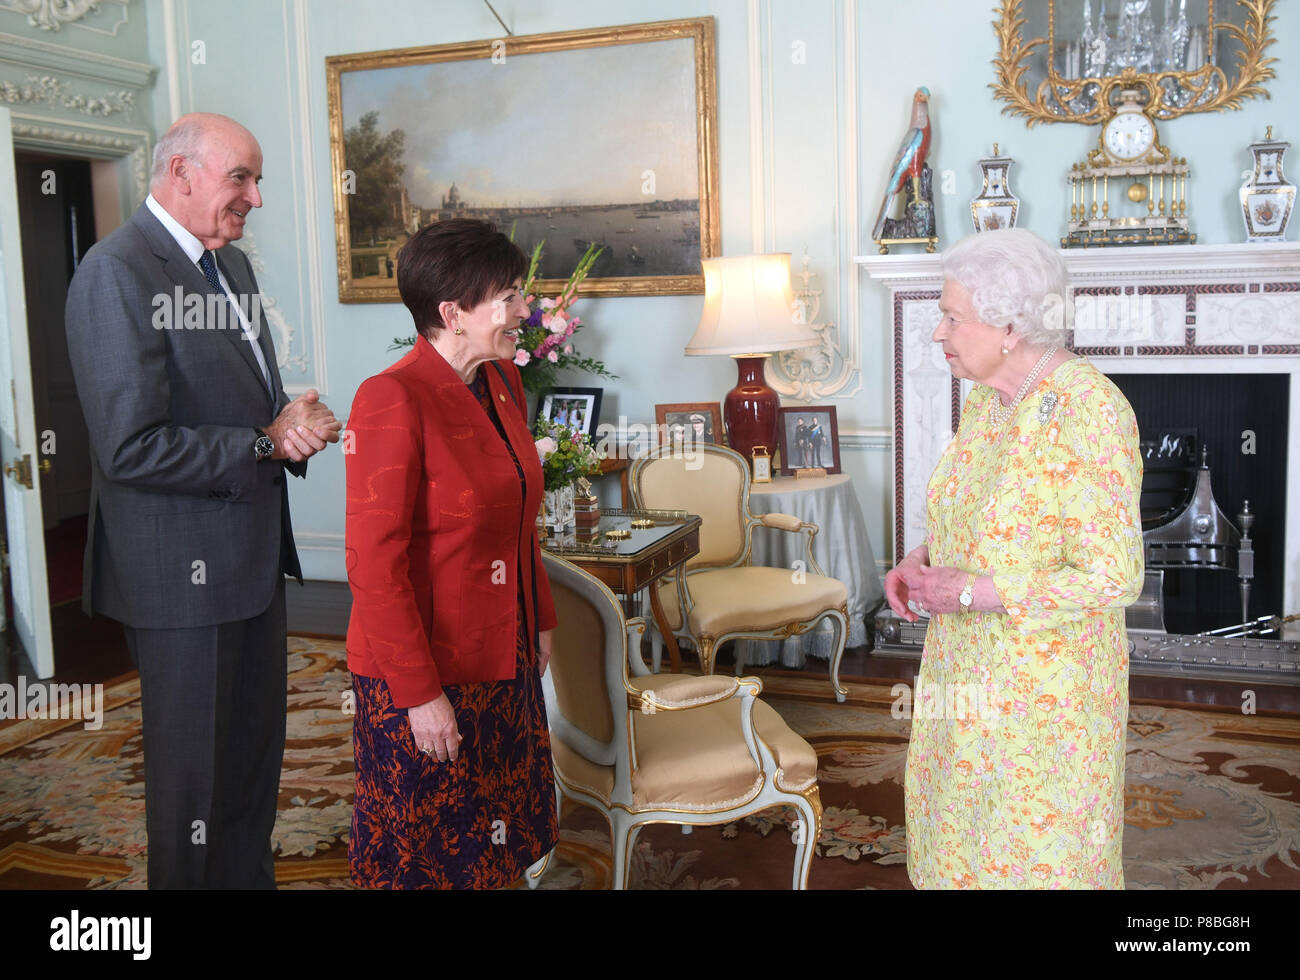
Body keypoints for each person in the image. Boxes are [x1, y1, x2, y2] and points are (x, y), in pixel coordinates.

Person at [64, 112, 342, 888]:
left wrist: (293, 420)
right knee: (192, 788)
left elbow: (245, 402)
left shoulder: (233, 268)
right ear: (181, 172)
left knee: (252, 765)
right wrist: (265, 439)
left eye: (256, 180)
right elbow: (130, 447)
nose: (255, 196)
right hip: (179, 578)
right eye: (241, 178)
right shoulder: (116, 272)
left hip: (250, 562)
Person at [885, 228, 1143, 889]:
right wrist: (921, 561)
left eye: (951, 316)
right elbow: (980, 518)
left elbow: (1113, 576)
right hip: (964, 674)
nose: (938, 334)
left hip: (1047, 695)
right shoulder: (987, 401)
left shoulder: (1089, 409)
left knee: (1036, 854)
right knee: (961, 840)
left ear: (1007, 324)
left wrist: (973, 592)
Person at [345, 218, 559, 889]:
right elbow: (373, 564)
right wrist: (419, 694)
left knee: (499, 831)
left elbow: (520, 520)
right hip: (425, 668)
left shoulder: (502, 383)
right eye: (509, 296)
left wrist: (541, 619)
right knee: (432, 851)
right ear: (453, 313)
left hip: (506, 650)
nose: (525, 308)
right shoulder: (390, 399)